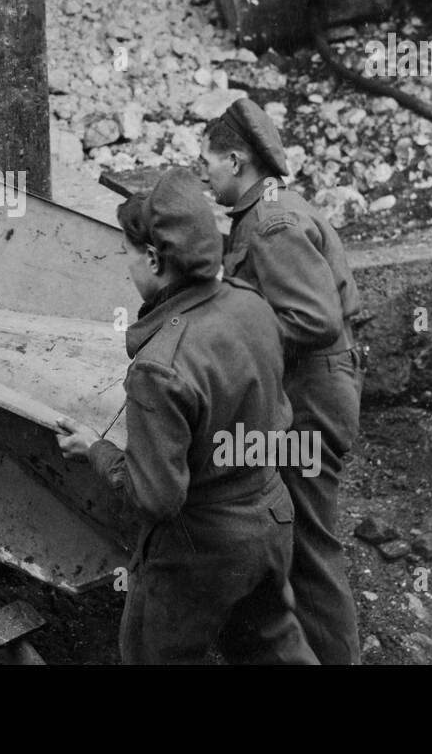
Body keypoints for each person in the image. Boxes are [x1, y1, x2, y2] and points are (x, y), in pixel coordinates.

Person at [55, 169, 316, 665]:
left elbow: (156, 498)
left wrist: (97, 450)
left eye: (128, 254)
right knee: (274, 648)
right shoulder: (252, 306)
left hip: (202, 549)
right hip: (272, 519)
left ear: (153, 259)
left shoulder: (160, 366)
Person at [200, 97, 364, 665]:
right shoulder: (270, 211)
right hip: (310, 389)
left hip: (311, 395)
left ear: (238, 160)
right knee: (299, 540)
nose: (207, 176)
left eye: (211, 164)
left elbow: (314, 321)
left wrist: (237, 346)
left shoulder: (270, 222)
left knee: (310, 551)